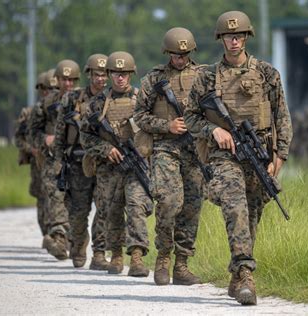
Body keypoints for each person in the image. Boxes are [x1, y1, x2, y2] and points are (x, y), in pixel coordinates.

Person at [184, 11, 292, 305]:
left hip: (259, 152)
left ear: (247, 37)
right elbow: (190, 117)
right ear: (221, 39)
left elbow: (282, 115)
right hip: (224, 155)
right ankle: (245, 272)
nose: (235, 40)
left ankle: (236, 273)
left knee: (252, 213)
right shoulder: (207, 77)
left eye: (240, 35)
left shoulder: (268, 73)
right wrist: (213, 129)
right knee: (234, 205)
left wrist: (280, 153)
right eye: (230, 36)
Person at [133, 27, 204, 286]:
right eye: (176, 55)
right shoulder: (154, 79)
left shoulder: (203, 76)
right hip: (165, 148)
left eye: (184, 54)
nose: (180, 59)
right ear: (168, 53)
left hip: (195, 150)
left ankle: (182, 263)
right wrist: (167, 126)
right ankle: (163, 258)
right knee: (168, 201)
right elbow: (139, 115)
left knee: (192, 206)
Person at [80, 51, 152, 277]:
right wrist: (106, 149)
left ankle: (137, 256)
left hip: (135, 165)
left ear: (131, 74)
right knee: (110, 210)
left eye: (124, 74)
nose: (120, 78)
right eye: (115, 74)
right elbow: (86, 136)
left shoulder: (141, 100)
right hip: (109, 167)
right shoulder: (97, 104)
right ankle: (117, 254)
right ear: (109, 74)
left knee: (136, 205)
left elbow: (152, 128)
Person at [54, 54, 110, 270]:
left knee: (104, 208)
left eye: (104, 75)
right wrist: (59, 162)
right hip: (77, 163)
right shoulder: (72, 99)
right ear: (89, 75)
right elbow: (60, 133)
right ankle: (78, 244)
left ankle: (99, 252)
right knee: (78, 211)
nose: (101, 79)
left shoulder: (112, 98)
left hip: (104, 162)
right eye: (97, 75)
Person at [30, 59, 80, 260]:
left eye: (71, 80)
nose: (67, 83)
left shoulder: (83, 99)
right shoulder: (46, 103)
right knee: (55, 195)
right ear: (57, 80)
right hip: (54, 158)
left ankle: (76, 240)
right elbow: (32, 133)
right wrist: (45, 139)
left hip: (78, 157)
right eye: (64, 79)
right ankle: (58, 238)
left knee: (77, 201)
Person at [15, 71, 54, 244]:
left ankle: (58, 233)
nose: (48, 92)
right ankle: (48, 231)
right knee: (42, 195)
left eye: (52, 88)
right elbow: (18, 138)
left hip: (58, 158)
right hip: (38, 160)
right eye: (45, 88)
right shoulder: (30, 112)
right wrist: (31, 150)